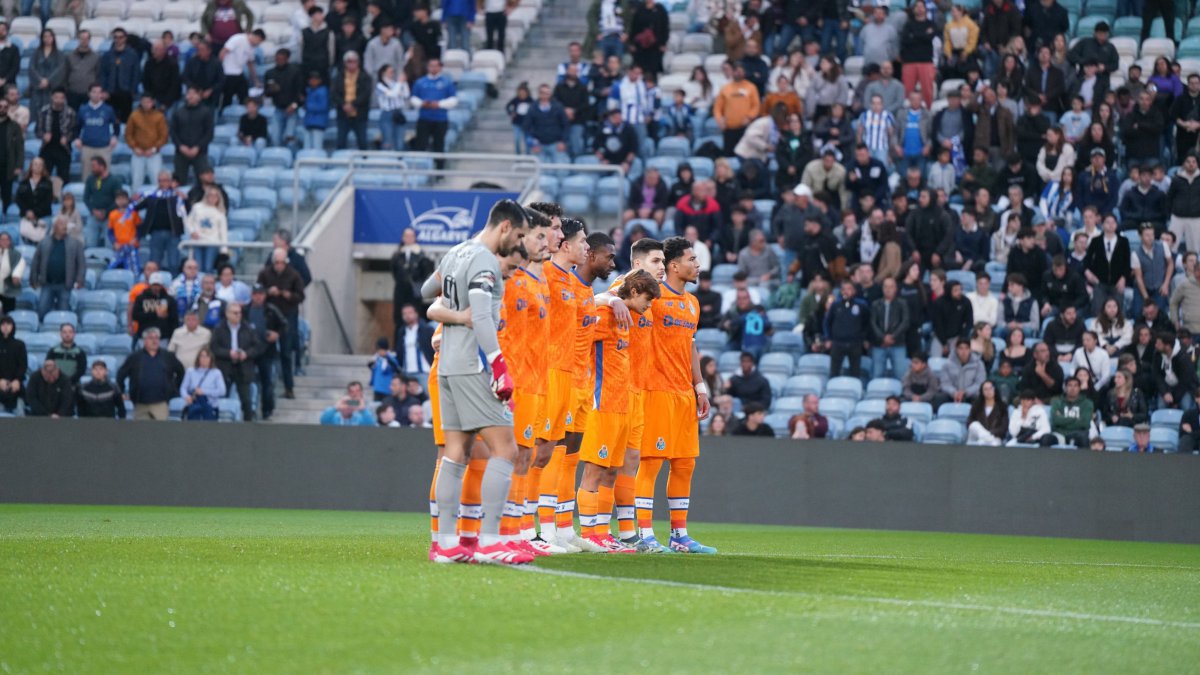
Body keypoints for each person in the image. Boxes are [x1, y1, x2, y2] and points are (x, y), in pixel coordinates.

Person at [420, 199, 532, 564]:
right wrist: (499, 365)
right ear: (504, 227)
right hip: (472, 365)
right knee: (506, 450)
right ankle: (489, 541)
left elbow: (426, 291)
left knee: (456, 454)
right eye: (517, 235)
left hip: (448, 366)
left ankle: (446, 544)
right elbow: (481, 316)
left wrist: (451, 313)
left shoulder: (455, 252)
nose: (517, 243)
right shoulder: (484, 260)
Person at [574, 268, 658, 551]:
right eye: (647, 299)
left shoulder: (627, 318)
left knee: (611, 471)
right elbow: (578, 330)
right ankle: (587, 534)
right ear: (633, 292)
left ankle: (601, 533)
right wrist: (607, 301)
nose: (648, 306)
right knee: (594, 470)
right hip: (602, 403)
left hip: (621, 405)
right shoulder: (606, 315)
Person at [258, 249, 306, 400]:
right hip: (269, 315)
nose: (278, 265)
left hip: (287, 315)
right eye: (276, 262)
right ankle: (266, 388)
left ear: (286, 262)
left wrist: (287, 294)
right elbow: (257, 291)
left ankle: (289, 387)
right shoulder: (265, 274)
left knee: (286, 352)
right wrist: (267, 292)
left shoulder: (294, 274)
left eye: (281, 262)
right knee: (266, 352)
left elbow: (301, 296)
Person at [116, 326, 186, 420]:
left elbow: (181, 371)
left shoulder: (168, 356)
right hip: (140, 404)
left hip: (161, 403)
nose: (154, 341)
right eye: (151, 338)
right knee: (141, 433)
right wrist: (122, 391)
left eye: (157, 338)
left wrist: (174, 389)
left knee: (160, 432)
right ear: (144, 340)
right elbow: (121, 374)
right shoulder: (135, 357)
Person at [210, 303, 263, 421]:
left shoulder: (248, 327)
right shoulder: (219, 328)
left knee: (246, 400)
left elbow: (257, 347)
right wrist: (228, 353)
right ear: (227, 314)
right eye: (235, 312)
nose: (238, 315)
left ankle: (248, 427)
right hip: (225, 367)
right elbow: (214, 347)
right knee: (221, 397)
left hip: (243, 367)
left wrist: (246, 354)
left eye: (239, 312)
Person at [246, 283, 286, 421]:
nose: (258, 297)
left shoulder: (271, 310)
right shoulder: (245, 310)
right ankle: (249, 410)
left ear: (264, 296)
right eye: (255, 294)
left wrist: (277, 334)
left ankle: (267, 410)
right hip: (249, 352)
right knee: (248, 382)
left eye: (261, 294)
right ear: (252, 295)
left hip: (267, 351)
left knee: (267, 383)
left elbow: (284, 324)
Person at [30, 217, 85, 319]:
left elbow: (81, 263)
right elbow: (36, 262)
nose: (65, 227)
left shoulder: (75, 243)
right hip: (47, 284)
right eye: (61, 224)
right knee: (42, 310)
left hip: (65, 284)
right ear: (55, 227)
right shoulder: (44, 242)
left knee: (63, 313)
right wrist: (33, 279)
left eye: (65, 225)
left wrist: (80, 279)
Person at [170, 87, 215, 185]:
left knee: (204, 181)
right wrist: (181, 146)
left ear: (199, 96)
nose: (190, 96)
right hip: (181, 152)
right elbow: (173, 132)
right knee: (178, 181)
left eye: (193, 94)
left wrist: (198, 147)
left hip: (200, 152)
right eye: (188, 93)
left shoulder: (206, 112)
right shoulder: (178, 112)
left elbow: (209, 133)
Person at [264, 48, 304, 150]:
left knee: (289, 138)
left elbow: (301, 93)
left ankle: (290, 161)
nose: (279, 61)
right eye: (277, 59)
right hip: (278, 109)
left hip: (292, 109)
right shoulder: (270, 73)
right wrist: (272, 90)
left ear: (287, 59)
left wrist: (294, 105)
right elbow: (266, 93)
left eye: (282, 59)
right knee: (275, 138)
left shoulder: (295, 72)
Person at [125, 94, 168, 192]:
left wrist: (154, 149)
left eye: (148, 102)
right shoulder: (134, 116)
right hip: (138, 153)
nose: (146, 104)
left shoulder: (159, 117)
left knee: (157, 180)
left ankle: (158, 202)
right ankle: (135, 203)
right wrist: (134, 147)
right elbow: (128, 134)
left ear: (152, 103)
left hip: (154, 154)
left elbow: (164, 136)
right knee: (136, 180)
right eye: (144, 101)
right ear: (140, 102)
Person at [330, 51, 371, 150]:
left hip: (360, 114)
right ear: (345, 63)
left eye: (354, 61)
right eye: (349, 61)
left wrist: (353, 104)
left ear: (358, 63)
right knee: (341, 142)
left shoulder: (365, 77)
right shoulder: (338, 77)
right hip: (343, 114)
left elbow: (366, 94)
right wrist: (343, 104)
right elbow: (334, 93)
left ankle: (364, 163)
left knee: (362, 142)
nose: (352, 64)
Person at [178, 346, 226, 420]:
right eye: (202, 356)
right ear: (198, 358)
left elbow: (222, 391)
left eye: (207, 356)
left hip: (210, 405)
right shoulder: (190, 371)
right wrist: (187, 397)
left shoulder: (216, 373)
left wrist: (204, 392)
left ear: (211, 359)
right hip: (194, 404)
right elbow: (183, 388)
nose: (204, 359)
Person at [376, 65, 410, 152]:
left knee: (400, 142)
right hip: (387, 114)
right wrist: (400, 82)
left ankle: (399, 162)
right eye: (390, 71)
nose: (392, 73)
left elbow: (406, 94)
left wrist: (404, 82)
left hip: (398, 112)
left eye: (393, 71)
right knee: (388, 141)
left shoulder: (395, 83)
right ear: (384, 72)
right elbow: (392, 94)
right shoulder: (380, 85)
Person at [168, 310, 213, 375]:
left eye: (193, 319)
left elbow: (209, 352)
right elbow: (170, 351)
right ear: (184, 321)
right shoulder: (177, 332)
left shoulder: (206, 333)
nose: (191, 322)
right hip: (180, 370)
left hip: (199, 370)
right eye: (188, 320)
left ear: (198, 321)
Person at [965, 380, 1009, 445]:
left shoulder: (1002, 406)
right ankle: (985, 436)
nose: (988, 391)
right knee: (974, 424)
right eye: (985, 389)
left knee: (989, 442)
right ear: (982, 392)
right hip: (977, 436)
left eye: (990, 388)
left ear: (995, 389)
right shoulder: (977, 405)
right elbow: (969, 422)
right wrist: (982, 433)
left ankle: (986, 437)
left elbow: (1003, 427)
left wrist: (990, 433)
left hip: (994, 437)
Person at [395, 303, 434, 374]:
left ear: (416, 313)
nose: (407, 316)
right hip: (406, 372)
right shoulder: (402, 332)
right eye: (404, 314)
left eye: (410, 313)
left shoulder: (427, 330)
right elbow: (399, 352)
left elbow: (432, 350)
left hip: (425, 371)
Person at [302, 70, 329, 150]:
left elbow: (323, 106)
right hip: (308, 123)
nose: (312, 81)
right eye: (311, 79)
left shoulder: (323, 91)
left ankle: (318, 163)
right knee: (306, 148)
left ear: (320, 80)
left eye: (315, 79)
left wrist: (307, 105)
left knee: (317, 147)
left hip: (319, 123)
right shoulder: (309, 90)